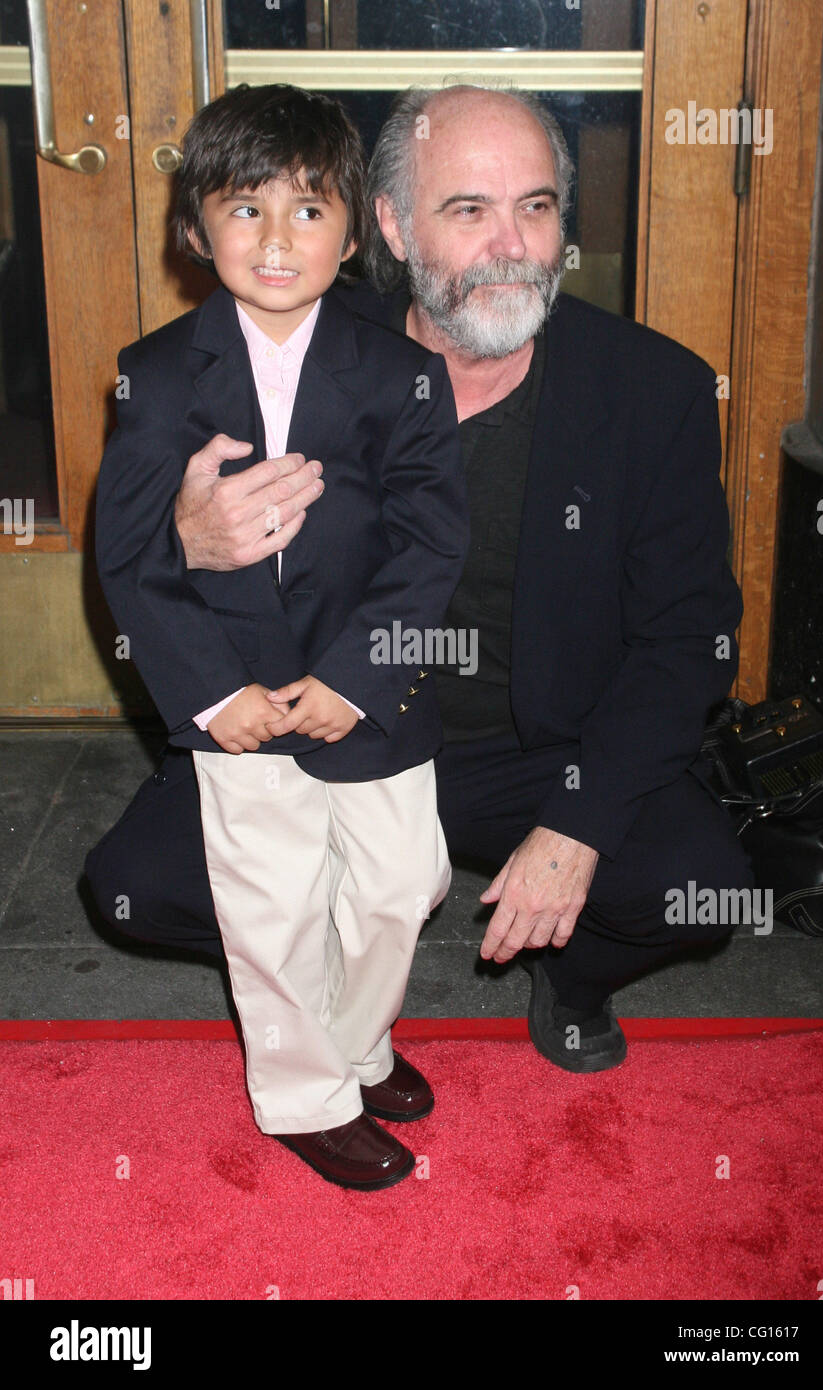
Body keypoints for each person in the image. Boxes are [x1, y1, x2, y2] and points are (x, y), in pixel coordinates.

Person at [87, 83, 753, 1082]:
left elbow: (687, 638)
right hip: (329, 720)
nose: (512, 244)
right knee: (139, 885)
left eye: (536, 206)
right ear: (392, 226)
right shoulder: (298, 335)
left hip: (537, 747)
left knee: (696, 884)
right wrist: (190, 538)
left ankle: (570, 979)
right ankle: (334, 990)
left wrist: (578, 822)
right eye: (468, 210)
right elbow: (143, 539)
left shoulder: (652, 390)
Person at [94, 84, 468, 1191]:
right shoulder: (157, 374)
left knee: (405, 882)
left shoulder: (401, 368)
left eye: (308, 211)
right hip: (239, 702)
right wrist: (214, 697)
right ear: (195, 226)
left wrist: (358, 678)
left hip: (369, 690)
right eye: (243, 208)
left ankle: (356, 1045)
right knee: (275, 904)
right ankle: (306, 1095)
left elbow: (430, 542)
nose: (274, 238)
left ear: (356, 231)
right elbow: (131, 558)